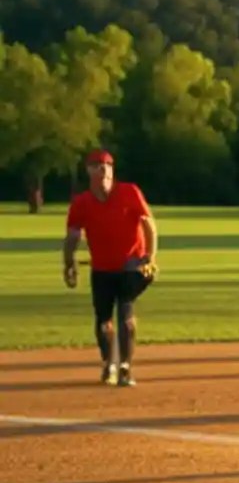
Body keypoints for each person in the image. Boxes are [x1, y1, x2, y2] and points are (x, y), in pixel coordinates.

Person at [62, 149, 158, 388]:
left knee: (125, 310)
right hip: (102, 268)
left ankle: (125, 367)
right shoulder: (82, 202)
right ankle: (109, 364)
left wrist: (150, 257)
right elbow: (73, 235)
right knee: (103, 319)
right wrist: (68, 263)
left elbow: (148, 225)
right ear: (89, 170)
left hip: (131, 264)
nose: (103, 168)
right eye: (97, 165)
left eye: (107, 164)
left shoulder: (129, 192)